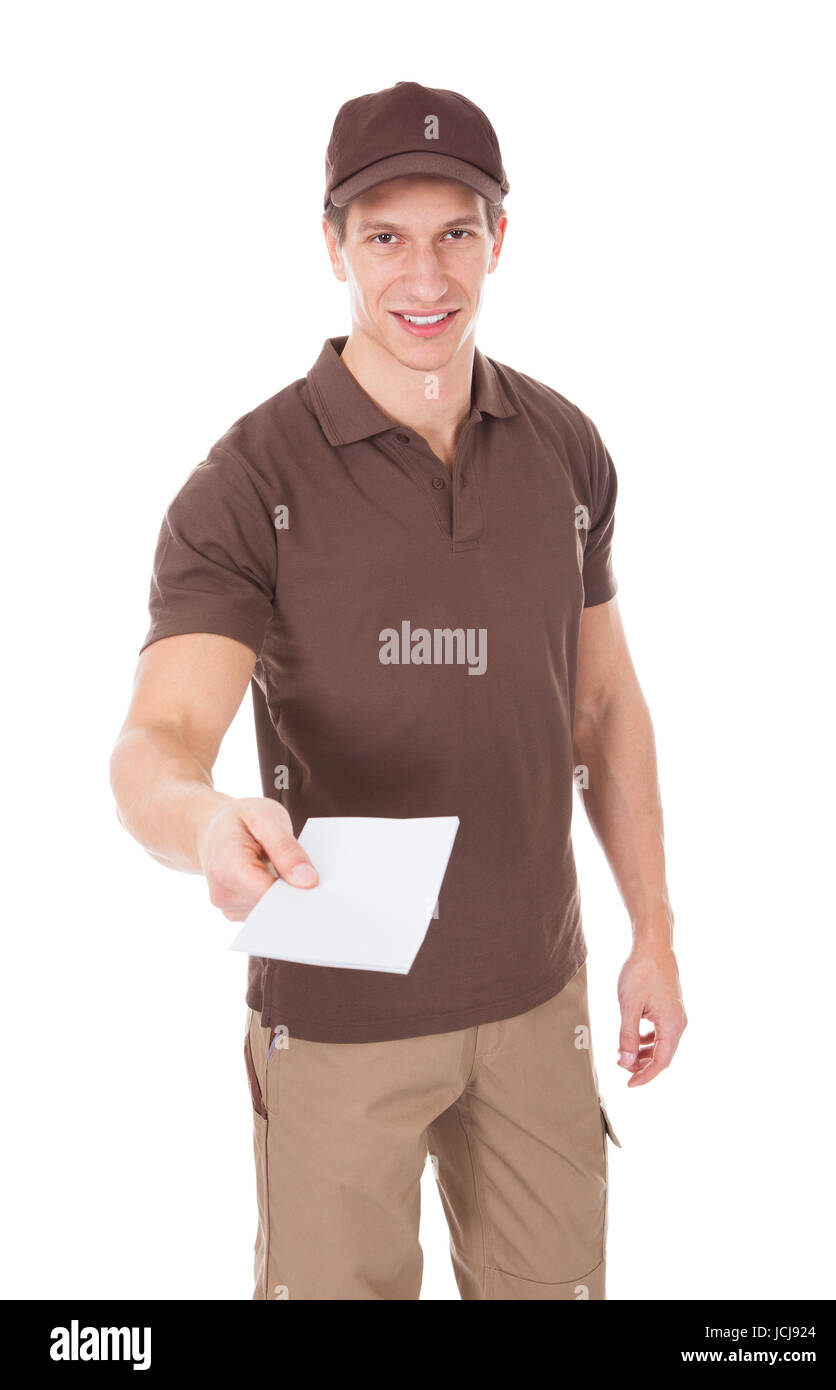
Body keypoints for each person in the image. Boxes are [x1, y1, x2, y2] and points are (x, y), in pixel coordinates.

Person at [110, 80, 687, 1301]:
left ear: (498, 240)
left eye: (453, 234)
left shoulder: (564, 448)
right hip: (339, 1022)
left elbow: (600, 707)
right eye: (384, 237)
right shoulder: (245, 483)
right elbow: (156, 738)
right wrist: (207, 823)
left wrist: (654, 934)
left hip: (539, 1001)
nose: (423, 277)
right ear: (332, 245)